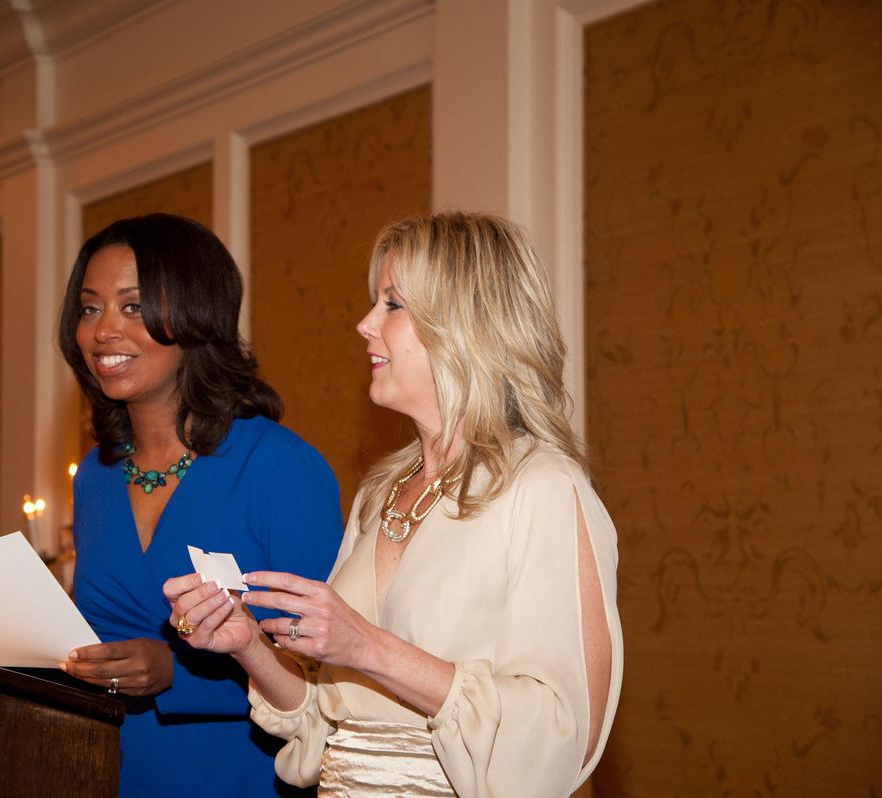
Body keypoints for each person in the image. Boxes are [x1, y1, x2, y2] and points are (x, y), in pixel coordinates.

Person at [164, 211, 623, 797]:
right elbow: (324, 723)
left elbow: (562, 734)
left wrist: (366, 646)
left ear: (467, 322)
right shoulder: (381, 492)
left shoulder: (544, 487)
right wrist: (248, 643)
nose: (364, 324)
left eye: (393, 304)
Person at [57, 213, 342, 797]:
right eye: (89, 308)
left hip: (244, 777)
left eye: (133, 307)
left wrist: (175, 673)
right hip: (109, 773)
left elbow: (327, 675)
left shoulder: (281, 467)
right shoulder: (95, 476)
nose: (102, 331)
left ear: (197, 314)